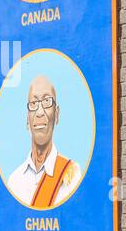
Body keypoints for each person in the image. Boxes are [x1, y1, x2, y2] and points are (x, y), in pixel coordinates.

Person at [6, 75, 80, 208]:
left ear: (56, 114)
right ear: (27, 119)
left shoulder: (72, 175)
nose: (40, 112)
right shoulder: (14, 181)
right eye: (33, 104)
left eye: (46, 102)